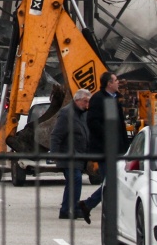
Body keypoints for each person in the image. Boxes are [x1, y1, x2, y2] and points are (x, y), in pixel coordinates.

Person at [80, 72, 130, 217]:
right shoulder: (98, 99)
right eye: (115, 80)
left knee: (113, 181)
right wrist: (108, 136)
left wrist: (124, 145)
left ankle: (88, 204)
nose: (118, 82)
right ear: (108, 83)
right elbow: (93, 122)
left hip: (117, 148)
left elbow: (118, 125)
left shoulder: (114, 99)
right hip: (104, 148)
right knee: (111, 181)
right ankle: (91, 205)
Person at [50, 88, 92, 222]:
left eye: (88, 102)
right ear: (77, 100)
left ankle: (66, 210)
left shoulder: (83, 113)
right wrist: (55, 154)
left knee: (73, 183)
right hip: (68, 155)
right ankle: (72, 209)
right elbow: (56, 135)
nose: (87, 105)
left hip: (80, 155)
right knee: (76, 180)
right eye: (85, 101)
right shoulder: (66, 113)